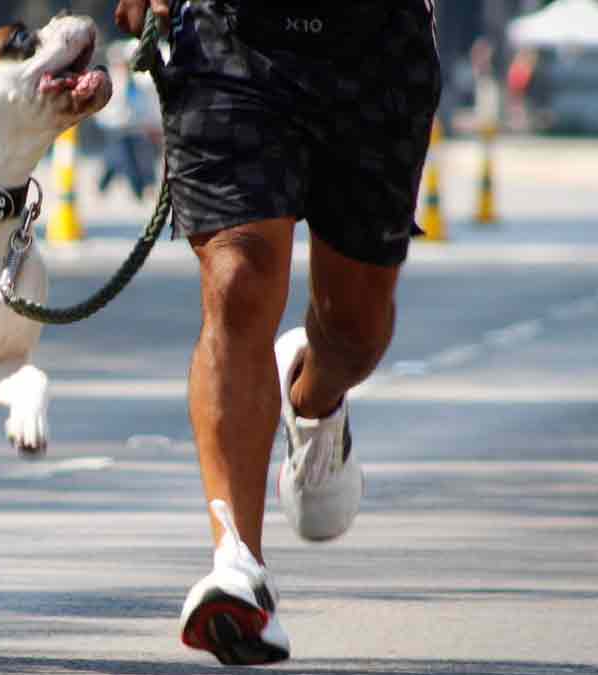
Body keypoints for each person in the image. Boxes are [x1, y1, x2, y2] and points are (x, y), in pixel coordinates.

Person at [115, 0, 441, 666]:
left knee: (356, 332)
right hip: (229, 38)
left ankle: (316, 391)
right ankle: (238, 566)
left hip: (376, 50)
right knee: (236, 279)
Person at [94, 40, 161, 201]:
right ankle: (137, 189)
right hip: (115, 126)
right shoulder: (112, 80)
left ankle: (108, 184)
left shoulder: (136, 81)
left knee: (128, 155)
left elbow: (142, 103)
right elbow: (109, 106)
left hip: (132, 127)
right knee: (123, 157)